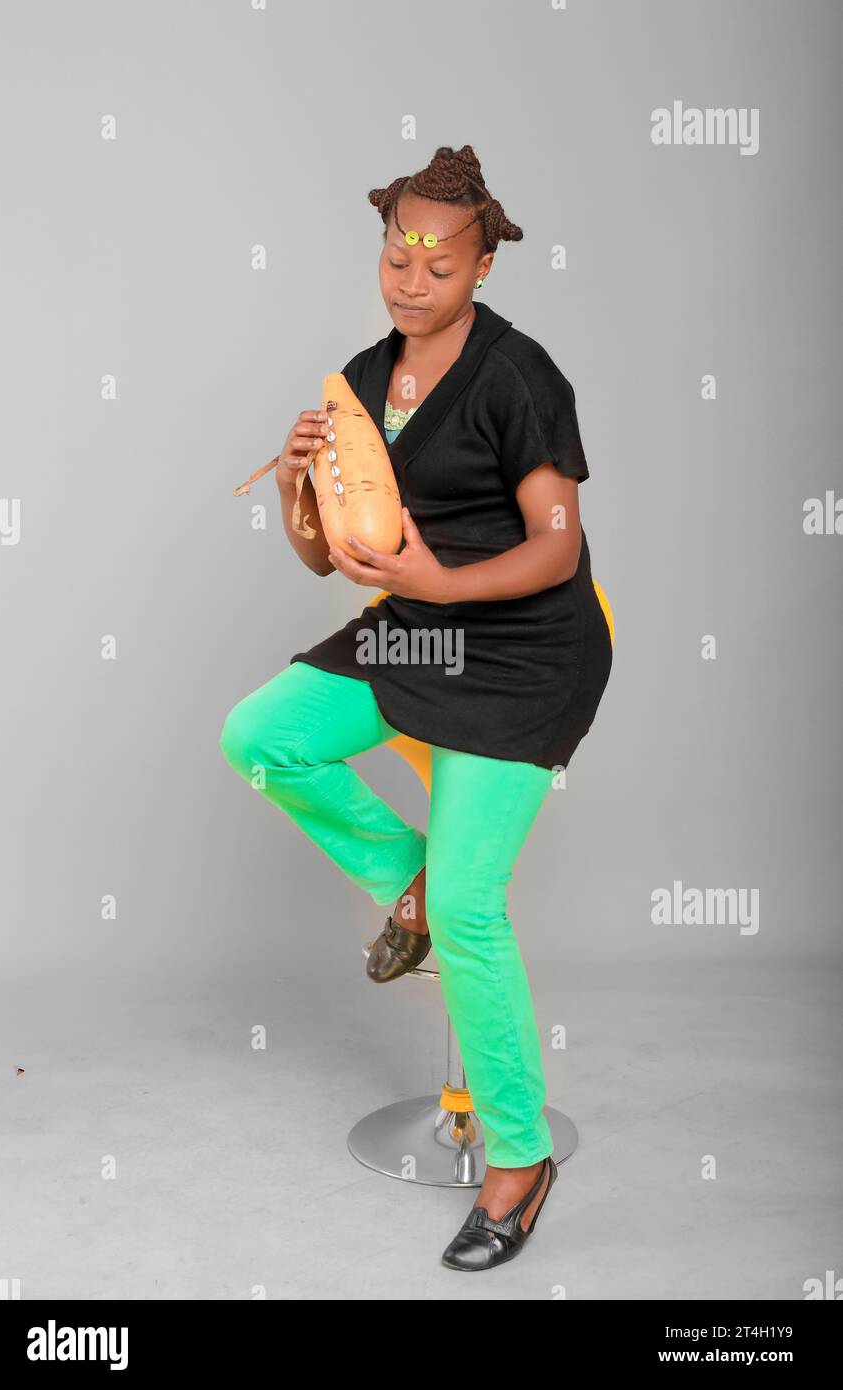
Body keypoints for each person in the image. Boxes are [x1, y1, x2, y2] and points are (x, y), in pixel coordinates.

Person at [220, 144, 612, 1271]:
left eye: (438, 267)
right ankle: (413, 891)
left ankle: (518, 1157)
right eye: (397, 257)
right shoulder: (361, 374)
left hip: (526, 646)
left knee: (479, 906)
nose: (410, 282)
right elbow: (333, 558)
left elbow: (557, 545)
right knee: (261, 739)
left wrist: (439, 583)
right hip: (415, 631)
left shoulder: (518, 375)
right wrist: (297, 488)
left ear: (482, 265)